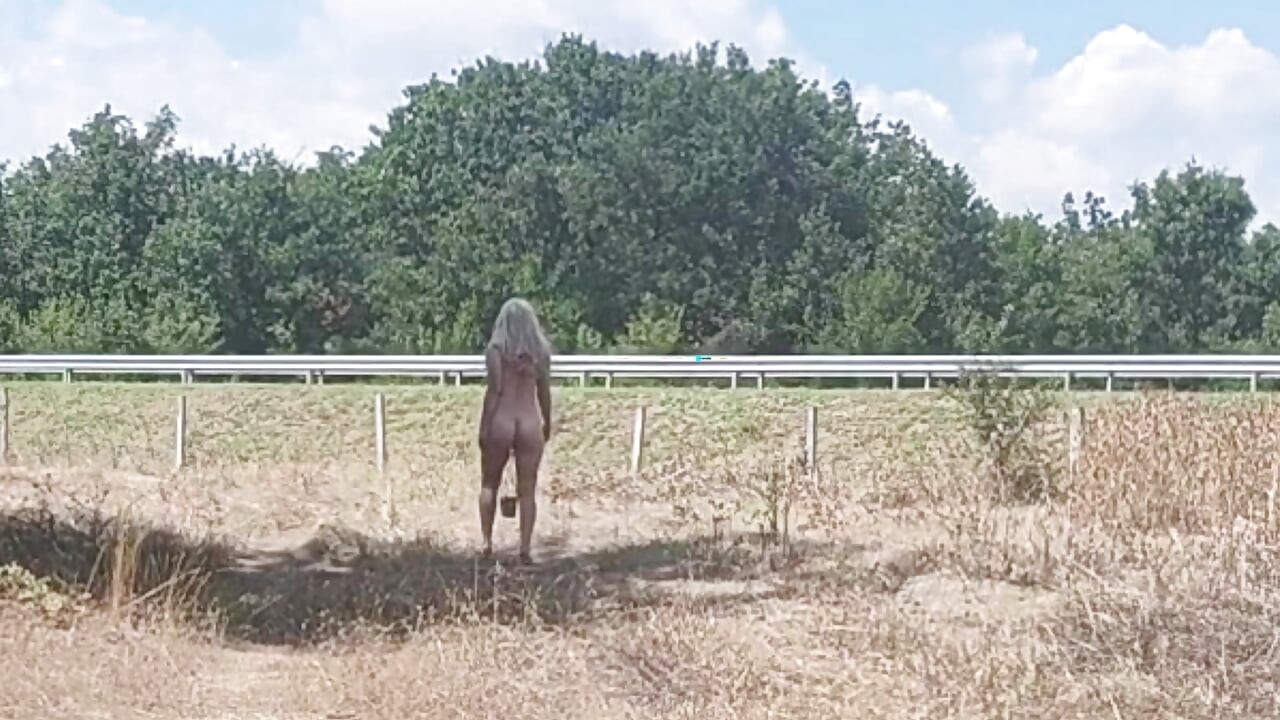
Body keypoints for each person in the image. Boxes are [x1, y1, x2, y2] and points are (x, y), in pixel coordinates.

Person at [477, 297, 553, 564]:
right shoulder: (541, 354)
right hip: (530, 419)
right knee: (528, 489)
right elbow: (544, 392)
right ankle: (525, 548)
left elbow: (495, 391)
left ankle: (487, 543)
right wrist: (548, 421)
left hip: (502, 419)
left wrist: (485, 425)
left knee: (489, 483)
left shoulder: (496, 351)